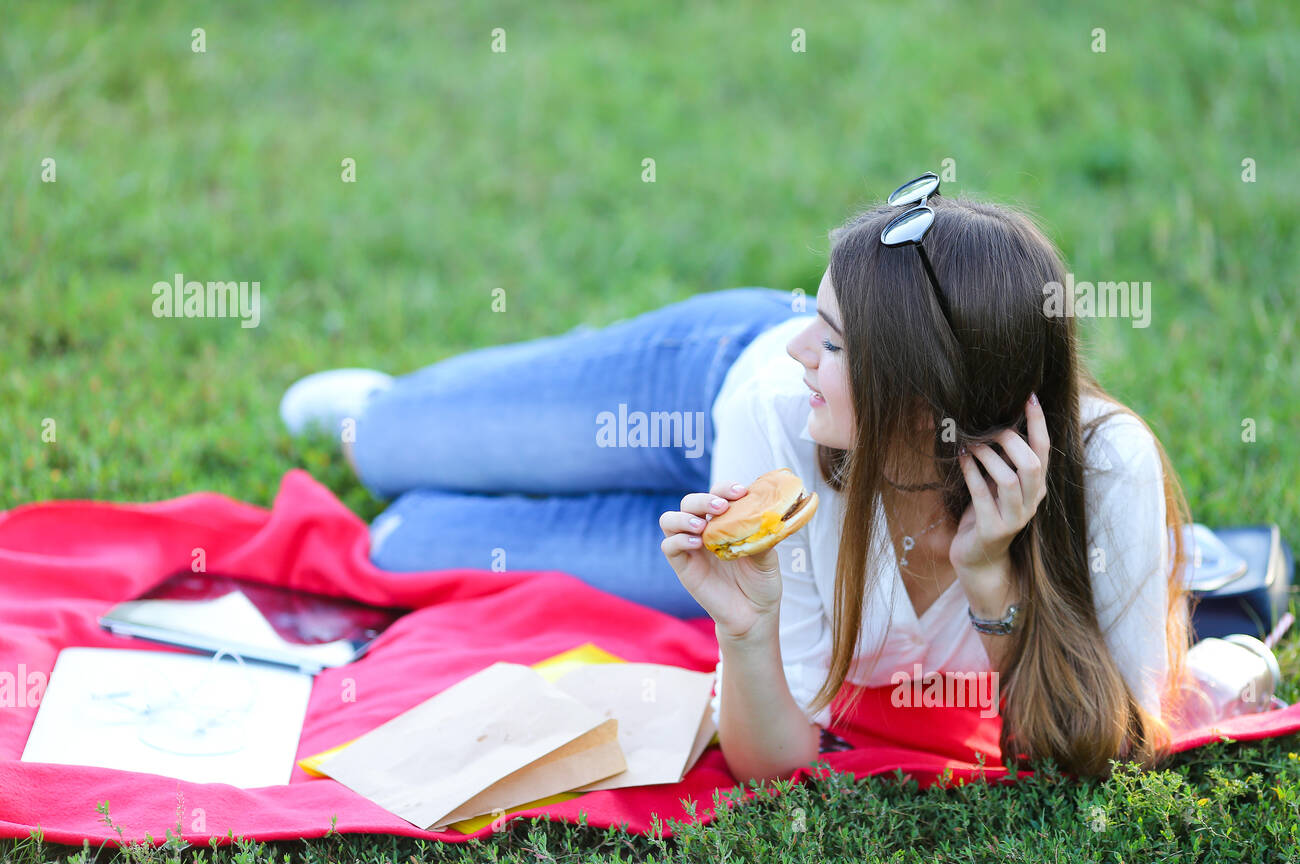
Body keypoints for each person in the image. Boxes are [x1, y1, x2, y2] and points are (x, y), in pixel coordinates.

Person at [280, 179, 1194, 784]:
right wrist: (822, 366)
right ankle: (393, 415)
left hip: (769, 482)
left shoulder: (1107, 473)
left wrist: (991, 579)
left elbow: (1101, 753)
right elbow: (790, 370)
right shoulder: (780, 392)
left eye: (832, 341)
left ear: (922, 405)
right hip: (704, 379)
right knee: (382, 444)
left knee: (405, 544)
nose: (805, 346)